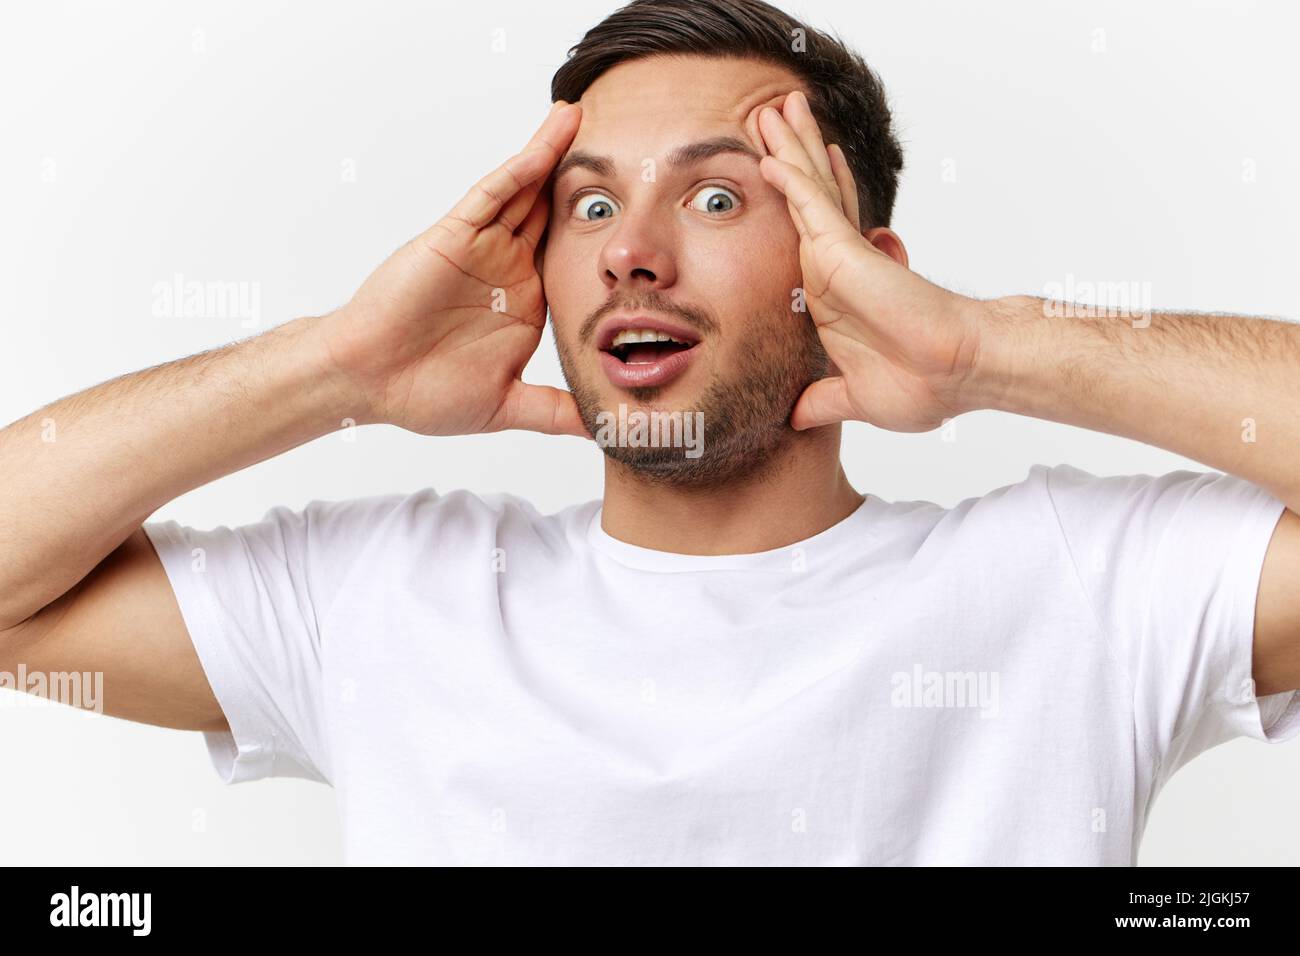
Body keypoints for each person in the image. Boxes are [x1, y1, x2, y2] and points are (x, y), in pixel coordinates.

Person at [2, 0, 1298, 865]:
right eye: (587, 207)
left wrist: (981, 350)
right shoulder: (382, 593)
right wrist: (338, 366)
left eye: (720, 194)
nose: (632, 252)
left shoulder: (1080, 582)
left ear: (858, 267)